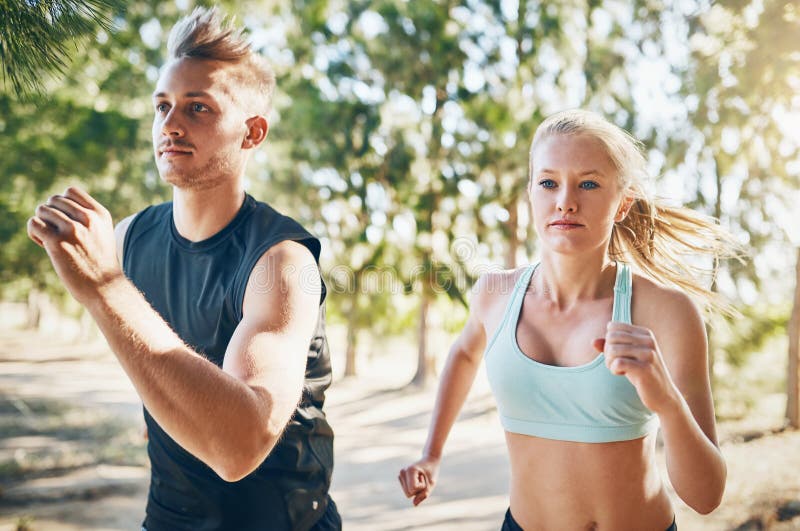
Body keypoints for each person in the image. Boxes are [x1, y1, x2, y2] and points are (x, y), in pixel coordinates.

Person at [27, 7, 340, 531]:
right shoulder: (126, 238)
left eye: (198, 109)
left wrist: (105, 288)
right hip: (168, 518)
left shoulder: (285, 261)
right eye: (162, 106)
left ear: (252, 133)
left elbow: (240, 446)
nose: (170, 125)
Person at [398, 109, 738, 530]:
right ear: (531, 192)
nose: (565, 201)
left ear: (622, 203)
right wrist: (432, 453)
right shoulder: (494, 295)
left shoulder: (665, 311)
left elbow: (706, 497)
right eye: (548, 183)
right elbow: (465, 353)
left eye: (589, 183)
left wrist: (666, 402)